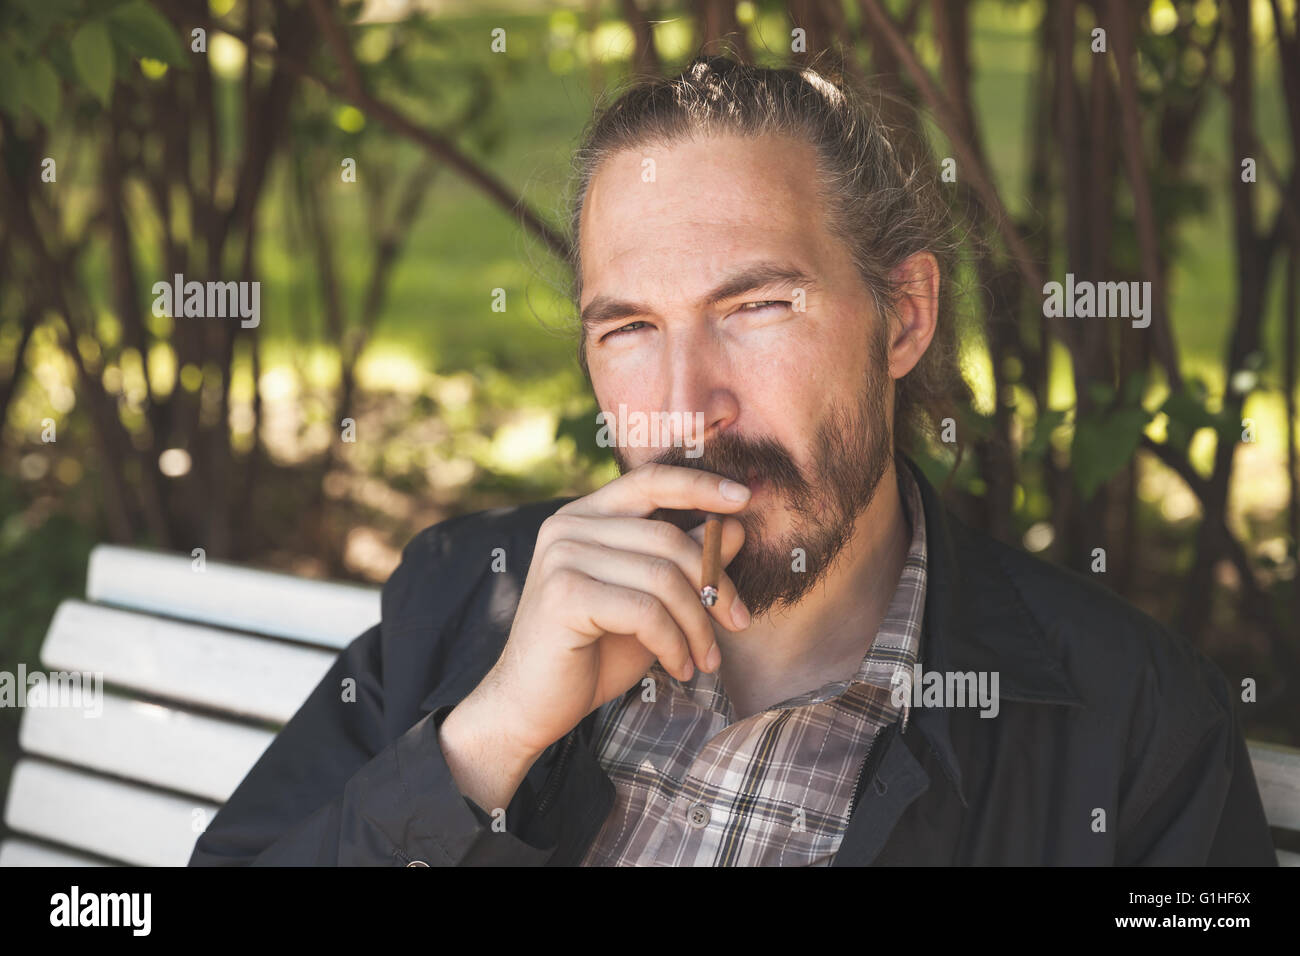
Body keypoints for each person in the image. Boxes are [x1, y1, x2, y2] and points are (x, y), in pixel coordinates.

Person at [189, 56, 1276, 866]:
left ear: (902, 318)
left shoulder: (1125, 722)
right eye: (628, 329)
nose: (683, 403)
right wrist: (482, 744)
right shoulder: (463, 599)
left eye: (755, 306)